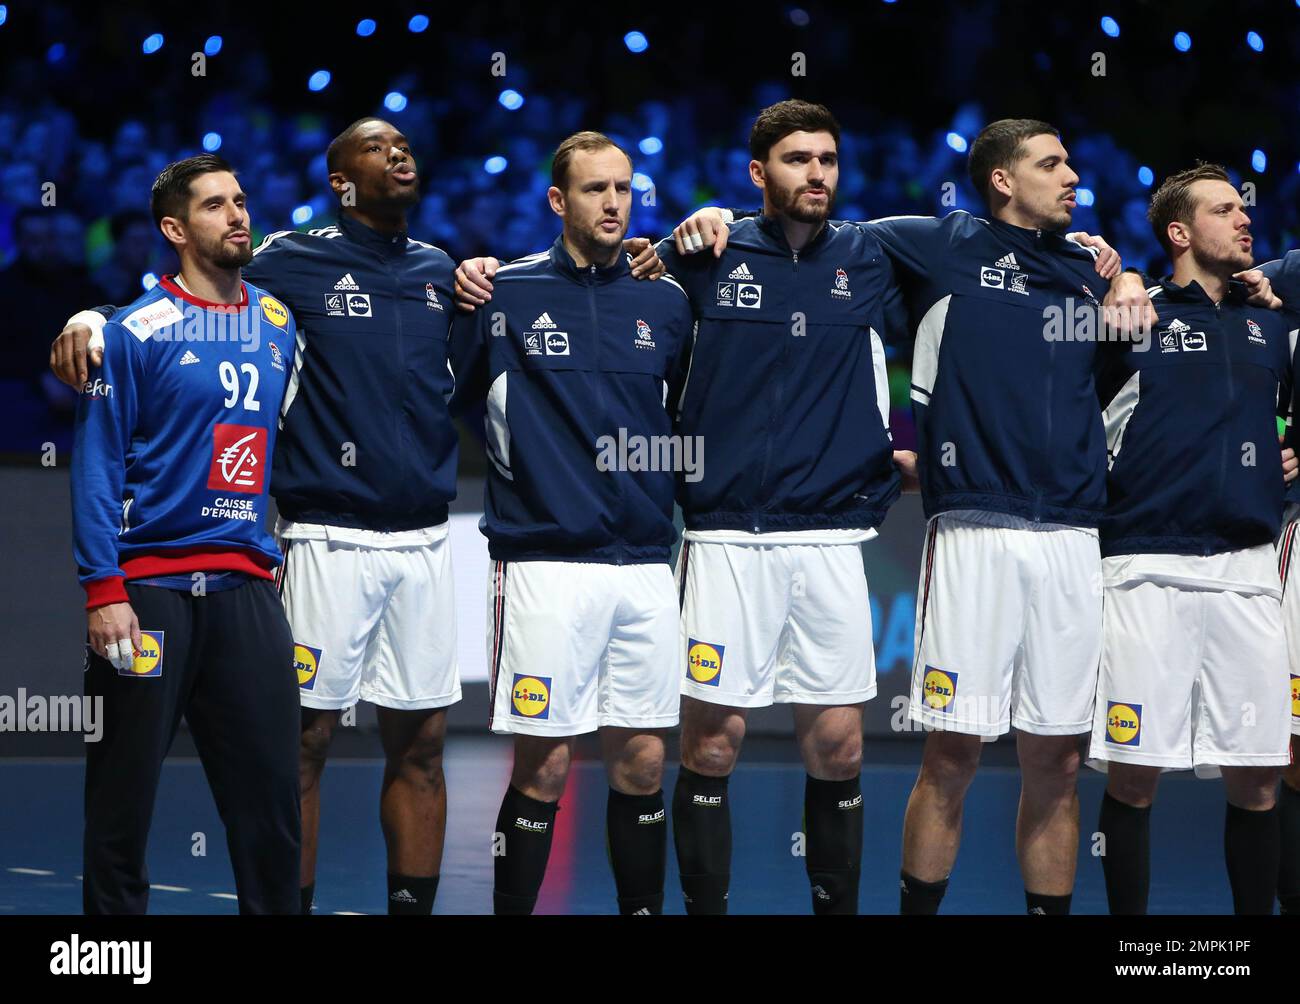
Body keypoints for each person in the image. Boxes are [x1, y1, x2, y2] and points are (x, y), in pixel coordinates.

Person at [672, 118, 1155, 914]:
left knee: (1058, 760)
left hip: (1071, 534)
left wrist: (1128, 271)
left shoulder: (1085, 274)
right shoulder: (930, 245)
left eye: (830, 157)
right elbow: (778, 233)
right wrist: (713, 217)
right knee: (945, 754)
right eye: (1052, 163)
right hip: (962, 529)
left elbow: (1109, 388)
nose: (1073, 175)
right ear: (1002, 179)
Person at [457, 100, 916, 915]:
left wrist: (1112, 265)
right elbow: (448, 400)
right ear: (757, 173)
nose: (817, 173)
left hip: (694, 550)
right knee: (585, 759)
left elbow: (961, 319)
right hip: (611, 550)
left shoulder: (857, 257)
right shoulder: (635, 274)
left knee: (676, 759)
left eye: (626, 189)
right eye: (797, 159)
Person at [448, 131, 694, 915]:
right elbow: (449, 399)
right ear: (559, 201)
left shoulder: (666, 300)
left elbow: (685, 413)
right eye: (595, 189)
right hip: (545, 562)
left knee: (645, 763)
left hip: (648, 563)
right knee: (545, 765)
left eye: (624, 188)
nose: (614, 203)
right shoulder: (503, 294)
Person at [73, 154, 299, 914]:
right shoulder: (134, 331)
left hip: (246, 591)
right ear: (175, 228)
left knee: (271, 803)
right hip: (147, 597)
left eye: (240, 199)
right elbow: (98, 467)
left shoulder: (277, 320)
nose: (237, 215)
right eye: (213, 206)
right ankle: (111, 954)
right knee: (121, 801)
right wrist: (103, 590)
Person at [1090, 163, 1298, 915]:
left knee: (1258, 774)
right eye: (1224, 210)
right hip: (1145, 564)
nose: (1245, 220)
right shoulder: (1128, 317)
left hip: (1248, 572)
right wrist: (1124, 280)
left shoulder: (1270, 324)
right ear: (1180, 231)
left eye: (1246, 209)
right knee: (1135, 773)